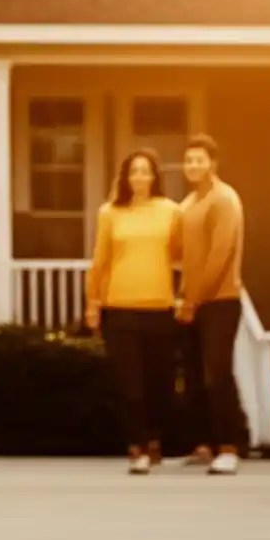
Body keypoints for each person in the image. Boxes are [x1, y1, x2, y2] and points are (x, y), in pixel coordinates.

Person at [85, 149, 181, 475]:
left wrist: (185, 295)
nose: (139, 177)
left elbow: (183, 256)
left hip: (160, 307)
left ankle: (154, 439)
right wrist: (93, 303)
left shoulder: (171, 211)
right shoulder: (110, 212)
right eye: (134, 171)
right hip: (119, 308)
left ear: (155, 176)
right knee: (130, 386)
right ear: (126, 177)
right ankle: (135, 448)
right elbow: (100, 261)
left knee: (160, 385)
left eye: (146, 171)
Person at [176, 133, 247, 475]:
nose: (193, 166)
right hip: (193, 301)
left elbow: (220, 257)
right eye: (188, 160)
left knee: (217, 374)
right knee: (192, 376)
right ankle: (203, 446)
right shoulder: (188, 204)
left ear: (212, 164)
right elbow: (185, 257)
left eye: (199, 160)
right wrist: (184, 298)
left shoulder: (225, 199)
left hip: (221, 300)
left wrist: (195, 299)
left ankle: (229, 447)